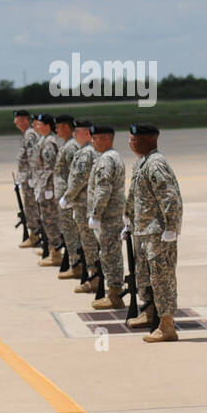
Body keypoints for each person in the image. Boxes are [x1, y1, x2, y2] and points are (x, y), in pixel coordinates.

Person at [123, 123, 183, 343]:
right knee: (144, 276)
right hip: (143, 231)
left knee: (162, 278)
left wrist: (171, 228)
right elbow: (134, 194)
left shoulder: (156, 164)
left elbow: (171, 198)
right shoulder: (141, 163)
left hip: (158, 233)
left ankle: (167, 326)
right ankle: (150, 312)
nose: (130, 141)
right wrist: (128, 216)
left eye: (134, 138)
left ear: (148, 139)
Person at [86, 126, 127, 311]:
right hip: (114, 214)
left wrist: (96, 214)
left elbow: (103, 190)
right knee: (112, 253)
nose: (93, 141)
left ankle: (114, 295)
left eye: (95, 138)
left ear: (105, 139)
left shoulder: (106, 160)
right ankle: (114, 292)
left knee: (109, 255)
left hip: (108, 216)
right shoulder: (114, 156)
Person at [62, 120, 100, 294]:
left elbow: (79, 179)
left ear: (87, 133)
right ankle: (95, 276)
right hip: (88, 205)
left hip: (84, 206)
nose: (74, 134)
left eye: (78, 131)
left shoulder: (86, 153)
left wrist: (67, 197)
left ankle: (95, 279)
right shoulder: (93, 151)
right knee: (91, 243)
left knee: (89, 244)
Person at [50, 115, 83, 280]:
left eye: (59, 127)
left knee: (71, 232)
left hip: (68, 199)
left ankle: (76, 264)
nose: (56, 130)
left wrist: (69, 196)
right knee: (68, 231)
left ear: (68, 127)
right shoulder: (67, 145)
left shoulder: (71, 147)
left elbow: (75, 175)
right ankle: (75, 262)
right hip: (65, 196)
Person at [31, 114, 63, 268]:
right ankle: (52, 248)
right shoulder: (43, 140)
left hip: (48, 187)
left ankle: (56, 252)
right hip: (42, 186)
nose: (36, 126)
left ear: (47, 126)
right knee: (46, 219)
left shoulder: (49, 142)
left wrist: (47, 188)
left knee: (50, 220)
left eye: (39, 124)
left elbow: (51, 168)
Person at [13, 110, 41, 249]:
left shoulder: (30, 135)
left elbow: (32, 157)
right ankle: (34, 234)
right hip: (26, 178)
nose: (15, 122)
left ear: (24, 120)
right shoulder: (27, 134)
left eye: (17, 119)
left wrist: (32, 177)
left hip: (30, 179)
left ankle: (35, 235)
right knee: (29, 207)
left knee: (32, 208)